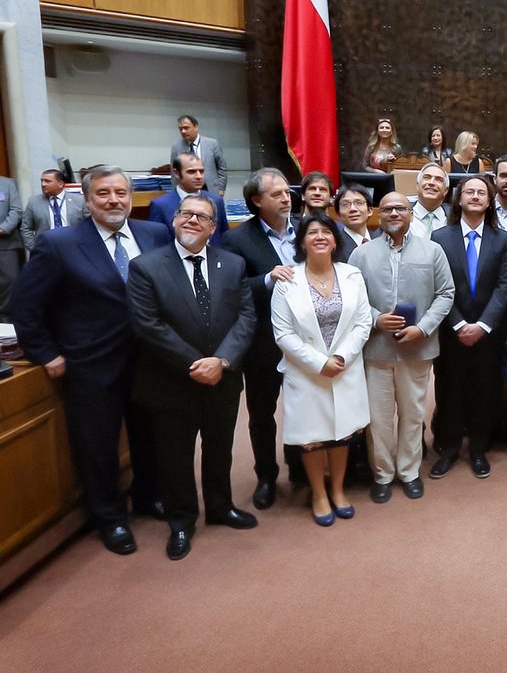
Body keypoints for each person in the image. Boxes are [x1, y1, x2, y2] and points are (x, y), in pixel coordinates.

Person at [11, 166, 170, 555]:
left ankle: (148, 495)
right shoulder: (58, 243)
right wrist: (45, 353)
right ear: (87, 198)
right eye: (103, 193)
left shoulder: (155, 234)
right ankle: (110, 518)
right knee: (98, 447)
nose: (114, 200)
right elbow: (25, 307)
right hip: (91, 365)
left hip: (149, 360)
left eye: (120, 192)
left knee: (150, 435)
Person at [127, 195, 259, 560]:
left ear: (213, 227)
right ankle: (182, 521)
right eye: (186, 214)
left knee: (219, 449)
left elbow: (246, 318)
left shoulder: (232, 264)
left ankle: (220, 507)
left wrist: (223, 361)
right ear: (174, 220)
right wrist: (196, 364)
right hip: (170, 381)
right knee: (175, 456)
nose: (192, 221)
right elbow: (148, 325)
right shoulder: (146, 267)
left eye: (202, 217)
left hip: (224, 379)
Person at [349, 192, 455, 502]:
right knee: (379, 419)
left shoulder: (432, 251)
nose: (394, 213)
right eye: (387, 209)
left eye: (400, 208)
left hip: (416, 348)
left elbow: (446, 294)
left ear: (410, 214)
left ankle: (409, 472)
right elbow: (352, 299)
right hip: (376, 349)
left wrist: (423, 328)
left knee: (412, 414)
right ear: (377, 215)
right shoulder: (362, 255)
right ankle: (382, 474)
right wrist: (375, 319)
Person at [271, 214, 373, 525]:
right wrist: (319, 362)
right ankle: (318, 493)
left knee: (342, 433)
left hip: (345, 367)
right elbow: (282, 333)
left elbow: (363, 321)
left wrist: (341, 357)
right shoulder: (287, 280)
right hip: (306, 372)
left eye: (326, 232)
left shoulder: (352, 274)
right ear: (301, 241)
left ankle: (338, 490)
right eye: (312, 232)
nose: (319, 237)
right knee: (312, 436)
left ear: (335, 240)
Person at [222, 167, 305, 509]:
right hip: (263, 343)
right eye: (276, 194)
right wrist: (267, 279)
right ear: (256, 200)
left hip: (307, 340)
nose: (286, 197)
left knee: (304, 406)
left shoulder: (305, 230)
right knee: (262, 413)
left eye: (287, 191)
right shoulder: (236, 240)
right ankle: (266, 475)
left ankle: (301, 465)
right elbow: (233, 289)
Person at [429, 175, 507, 479]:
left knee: (485, 390)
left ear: (489, 201)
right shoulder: (440, 237)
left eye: (482, 192)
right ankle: (450, 448)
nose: (476, 196)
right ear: (460, 199)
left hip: (488, 332)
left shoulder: (503, 238)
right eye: (470, 192)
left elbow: (505, 286)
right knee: (449, 389)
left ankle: (479, 449)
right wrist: (457, 323)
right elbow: (436, 286)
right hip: (451, 330)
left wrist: (483, 324)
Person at [148, 153, 230, 245]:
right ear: (177, 173)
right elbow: (157, 243)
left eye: (201, 171)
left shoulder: (216, 201)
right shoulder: (160, 205)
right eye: (191, 172)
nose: (199, 176)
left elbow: (224, 237)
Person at [21, 168, 85, 250]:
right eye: (42, 181)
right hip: (47, 249)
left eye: (47, 181)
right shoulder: (33, 202)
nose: (43, 184)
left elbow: (90, 225)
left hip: (75, 247)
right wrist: (34, 248)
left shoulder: (79, 200)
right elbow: (26, 228)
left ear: (60, 184)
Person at [171, 115, 228, 194]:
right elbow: (174, 172)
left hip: (210, 189)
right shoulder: (176, 147)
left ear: (196, 127)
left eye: (186, 128)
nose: (183, 131)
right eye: (180, 129)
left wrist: (221, 189)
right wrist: (175, 192)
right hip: (187, 190)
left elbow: (222, 168)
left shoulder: (212, 144)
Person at [333, 183, 379, 262]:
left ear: (370, 210)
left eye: (359, 203)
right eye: (345, 204)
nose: (353, 209)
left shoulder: (381, 240)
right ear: (338, 214)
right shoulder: (335, 245)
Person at [0, 173, 22, 318]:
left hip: (6, 243)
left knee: (10, 282)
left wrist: (3, 228)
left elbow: (16, 210)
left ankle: (6, 317)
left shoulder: (7, 184)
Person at [410, 162, 450, 237]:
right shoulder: (402, 215)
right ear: (417, 185)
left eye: (439, 179)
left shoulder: (455, 219)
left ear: (445, 190)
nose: (432, 183)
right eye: (427, 177)